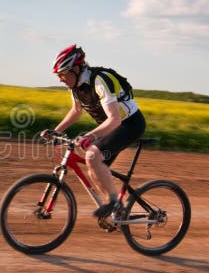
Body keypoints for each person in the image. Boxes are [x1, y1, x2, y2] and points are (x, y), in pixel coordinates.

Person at [40, 44, 145, 220]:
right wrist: (55, 131)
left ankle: (114, 203)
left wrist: (89, 136)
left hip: (129, 125)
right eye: (59, 75)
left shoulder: (99, 81)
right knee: (93, 167)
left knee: (92, 156)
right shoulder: (76, 87)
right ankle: (117, 212)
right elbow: (76, 111)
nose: (60, 79)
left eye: (63, 74)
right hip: (111, 127)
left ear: (75, 68)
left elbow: (115, 119)